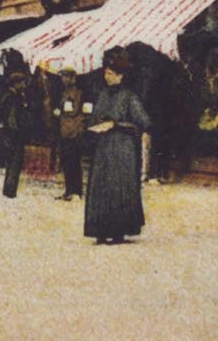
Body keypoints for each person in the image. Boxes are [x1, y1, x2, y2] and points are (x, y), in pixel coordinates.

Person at [85, 48, 150, 244]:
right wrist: (95, 124)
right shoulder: (104, 94)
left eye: (110, 74)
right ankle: (101, 231)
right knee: (101, 187)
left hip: (123, 150)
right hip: (104, 149)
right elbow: (96, 116)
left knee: (119, 188)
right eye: (105, 73)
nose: (106, 77)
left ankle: (119, 230)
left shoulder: (129, 97)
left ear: (120, 75)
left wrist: (116, 124)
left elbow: (143, 122)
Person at [0, 70, 32, 199]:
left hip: (12, 133)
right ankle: (10, 191)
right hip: (12, 134)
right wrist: (7, 133)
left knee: (12, 163)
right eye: (22, 83)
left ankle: (9, 189)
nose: (24, 86)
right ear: (15, 84)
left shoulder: (16, 97)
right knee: (14, 162)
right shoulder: (11, 98)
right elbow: (9, 118)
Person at [53, 66, 88, 200]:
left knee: (74, 161)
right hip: (65, 130)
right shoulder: (64, 92)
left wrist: (61, 112)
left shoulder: (77, 93)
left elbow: (73, 111)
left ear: (73, 78)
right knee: (67, 162)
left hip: (74, 130)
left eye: (67, 76)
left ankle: (76, 191)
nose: (64, 79)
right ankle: (68, 190)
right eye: (63, 76)